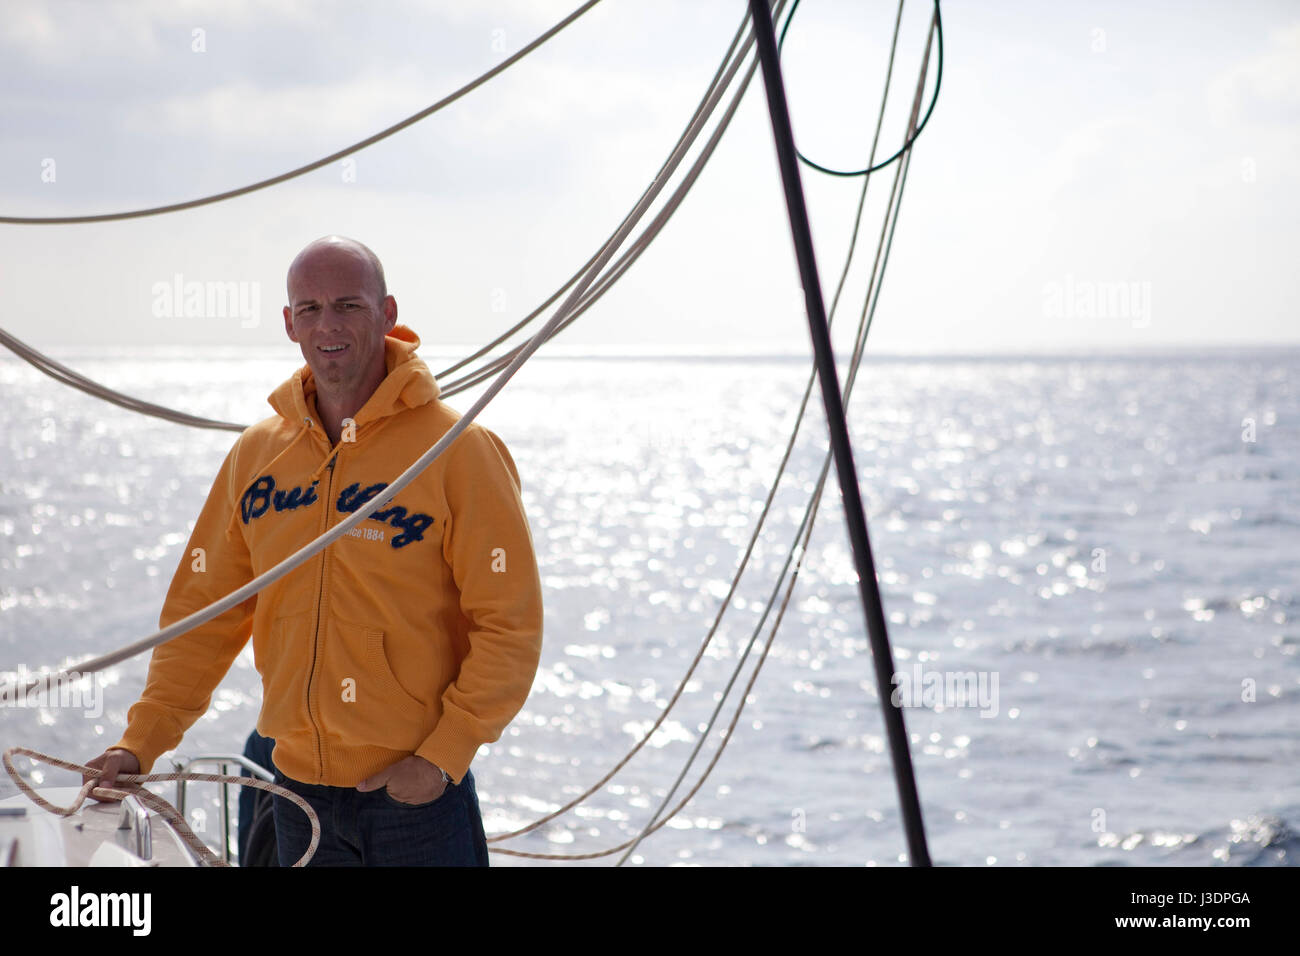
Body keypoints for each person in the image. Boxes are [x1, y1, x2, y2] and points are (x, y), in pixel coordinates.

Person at [84, 236, 544, 866]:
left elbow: (509, 622)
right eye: (310, 309)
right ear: (289, 323)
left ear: (386, 314)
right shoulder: (258, 455)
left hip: (418, 800)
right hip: (299, 796)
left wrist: (444, 757)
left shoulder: (458, 450)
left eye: (349, 306)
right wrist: (142, 742)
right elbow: (205, 615)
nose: (328, 325)